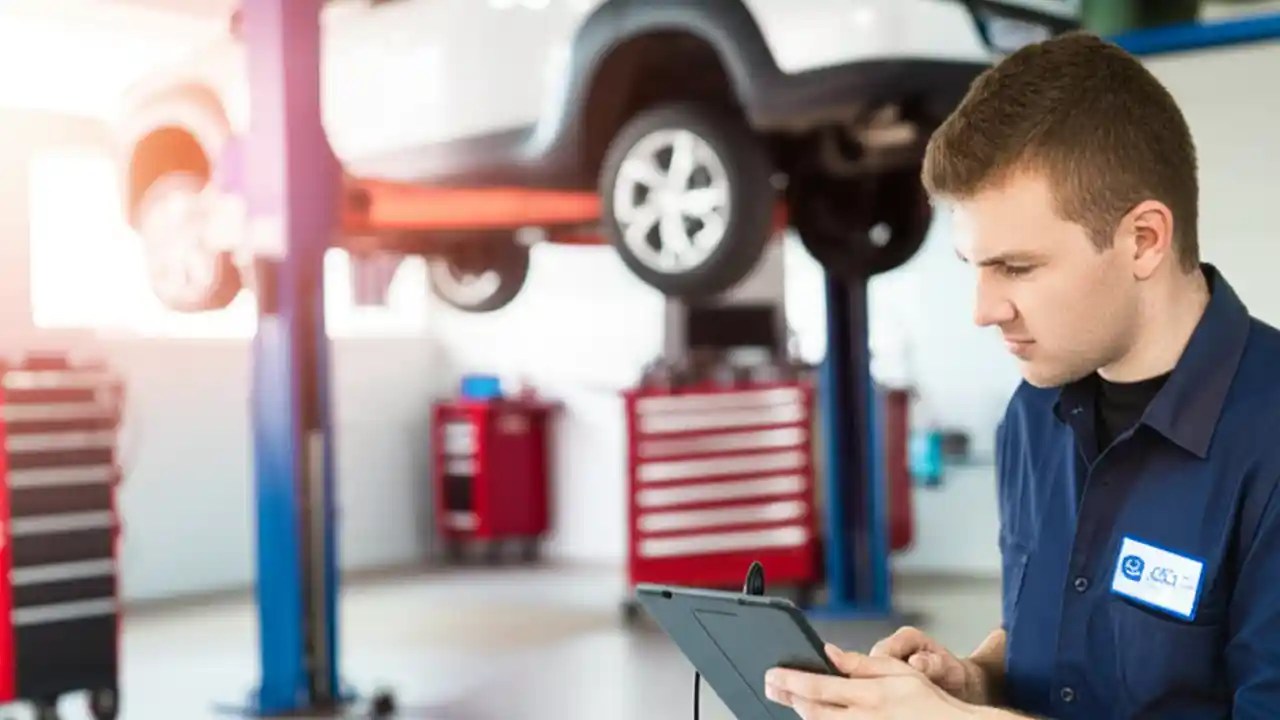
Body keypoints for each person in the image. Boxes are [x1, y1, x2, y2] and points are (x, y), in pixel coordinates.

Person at [763, 29, 1280, 720]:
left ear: (1144, 239)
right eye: (974, 267)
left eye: (1017, 267)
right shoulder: (1034, 415)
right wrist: (974, 680)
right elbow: (1060, 650)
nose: (983, 310)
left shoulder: (1267, 443)